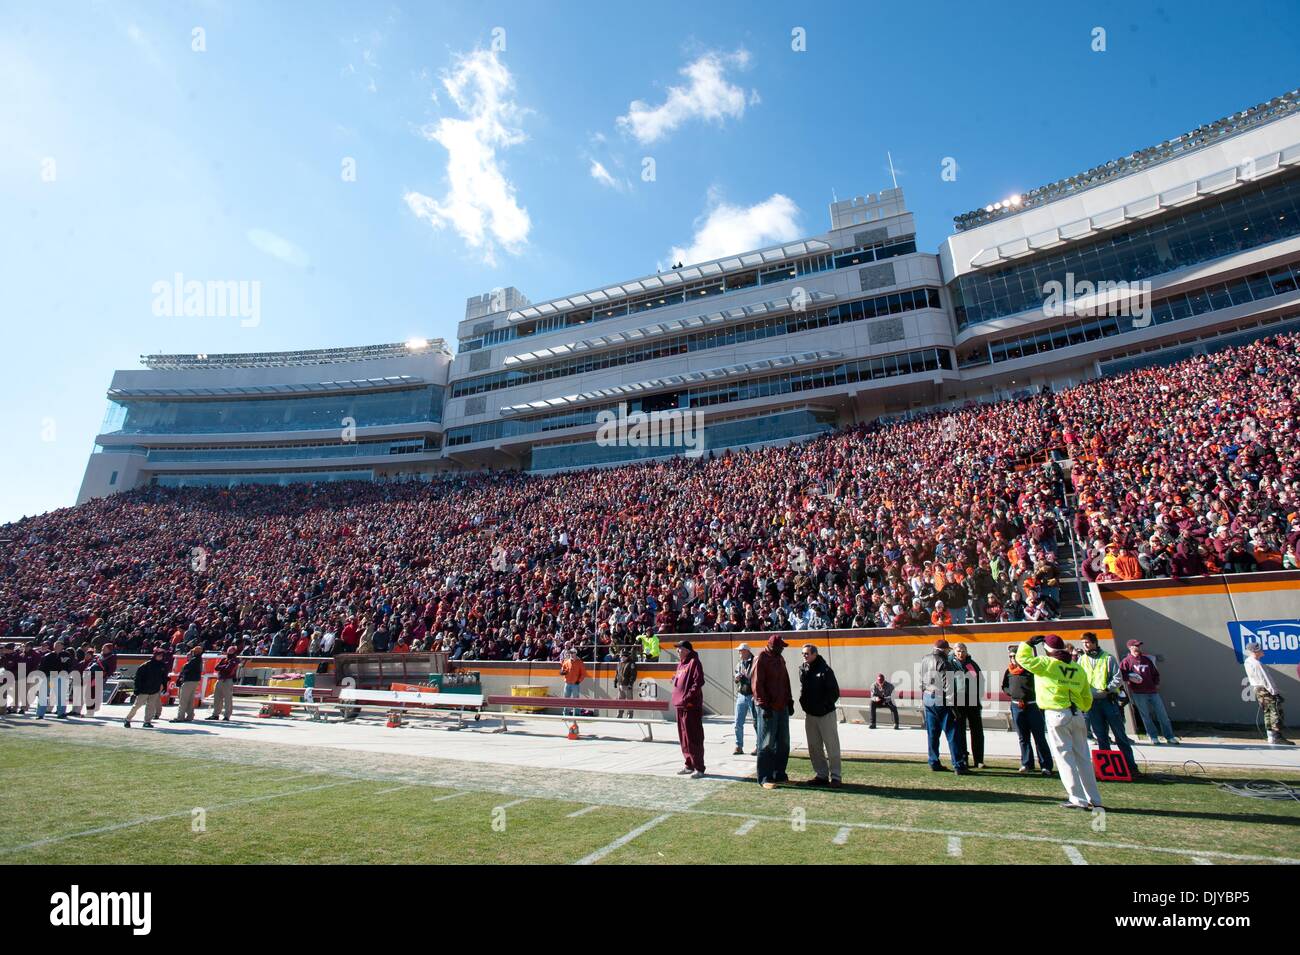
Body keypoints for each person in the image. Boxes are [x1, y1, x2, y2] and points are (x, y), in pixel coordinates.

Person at [1016, 634, 1102, 810]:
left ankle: (1077, 798)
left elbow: (1022, 658)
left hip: (1057, 713)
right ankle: (1094, 798)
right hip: (1077, 714)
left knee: (1065, 758)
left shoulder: (1046, 664)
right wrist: (1082, 709)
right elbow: (1087, 695)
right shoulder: (1077, 668)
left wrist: (1028, 643)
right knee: (1084, 758)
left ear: (1047, 650)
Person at [1078, 632, 1139, 776]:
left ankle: (1131, 767)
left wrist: (1106, 689)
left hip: (1108, 700)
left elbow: (1117, 678)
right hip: (1092, 703)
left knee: (1120, 735)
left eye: (1087, 642)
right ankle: (1108, 769)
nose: (1085, 645)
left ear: (1094, 642)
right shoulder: (1081, 660)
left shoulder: (1108, 658)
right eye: (1083, 643)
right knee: (1101, 736)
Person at [1002, 644, 1053, 775]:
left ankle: (1045, 765)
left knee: (1039, 737)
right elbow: (1005, 686)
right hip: (1016, 707)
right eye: (1011, 657)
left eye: (1015, 656)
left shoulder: (1032, 670)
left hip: (1032, 706)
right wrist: (1013, 694)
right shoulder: (1009, 671)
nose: (1013, 659)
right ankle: (1026, 763)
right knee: (1023, 737)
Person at [919, 639, 968, 774]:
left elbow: (921, 680)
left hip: (928, 697)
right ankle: (958, 765)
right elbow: (949, 686)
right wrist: (953, 706)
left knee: (932, 733)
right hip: (942, 699)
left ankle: (933, 761)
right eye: (948, 650)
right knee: (952, 733)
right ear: (945, 650)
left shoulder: (925, 659)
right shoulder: (944, 662)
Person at [752, 635, 793, 789]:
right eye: (780, 646)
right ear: (771, 646)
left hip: (782, 706)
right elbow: (757, 684)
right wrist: (763, 706)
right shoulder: (761, 658)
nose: (782, 649)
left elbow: (786, 681)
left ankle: (779, 774)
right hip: (768, 707)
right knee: (766, 743)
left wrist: (789, 700)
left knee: (783, 742)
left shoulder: (780, 659)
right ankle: (765, 777)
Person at [1119, 639, 1179, 745]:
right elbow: (1122, 675)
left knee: (1163, 715)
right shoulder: (1126, 661)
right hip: (1138, 693)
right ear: (1130, 647)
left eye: (1139, 645)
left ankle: (1169, 737)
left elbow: (1155, 673)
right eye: (1136, 646)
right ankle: (1153, 736)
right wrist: (1129, 677)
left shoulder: (1146, 660)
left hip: (1152, 692)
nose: (1138, 647)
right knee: (1146, 716)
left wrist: (1156, 683)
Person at [798, 644, 842, 787]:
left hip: (825, 714)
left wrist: (823, 706)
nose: (804, 656)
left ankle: (836, 776)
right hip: (810, 715)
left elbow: (834, 692)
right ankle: (821, 775)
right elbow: (802, 691)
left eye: (807, 653)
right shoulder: (803, 669)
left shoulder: (826, 670)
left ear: (815, 654)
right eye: (803, 653)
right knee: (814, 747)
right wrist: (805, 705)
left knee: (832, 745)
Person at [1243, 641, 1293, 746]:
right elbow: (1265, 679)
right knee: (1276, 711)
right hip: (1265, 689)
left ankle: (1270, 736)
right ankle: (1277, 736)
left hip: (1257, 689)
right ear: (1255, 651)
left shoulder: (1248, 661)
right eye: (1260, 649)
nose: (1263, 650)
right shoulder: (1257, 664)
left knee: (1267, 711)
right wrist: (1275, 692)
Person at [671, 640, 705, 777]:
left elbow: (699, 682)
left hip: (690, 706)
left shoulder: (694, 662)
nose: (677, 651)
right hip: (680, 706)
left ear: (687, 650)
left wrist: (687, 698)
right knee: (684, 738)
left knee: (693, 737)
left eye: (679, 648)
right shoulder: (680, 664)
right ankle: (689, 764)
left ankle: (699, 767)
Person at [952, 642, 985, 768]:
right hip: (958, 703)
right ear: (954, 652)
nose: (961, 653)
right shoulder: (951, 664)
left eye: (963, 651)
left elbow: (980, 680)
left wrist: (978, 695)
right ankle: (963, 758)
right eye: (958, 651)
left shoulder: (971, 664)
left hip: (973, 702)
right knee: (960, 732)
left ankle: (979, 759)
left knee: (977, 731)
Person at [124, 648, 169, 728]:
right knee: (137, 705)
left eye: (161, 656)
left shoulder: (162, 666)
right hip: (144, 689)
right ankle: (128, 719)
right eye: (159, 655)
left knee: (151, 706)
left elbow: (164, 677)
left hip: (155, 689)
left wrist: (165, 685)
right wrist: (137, 689)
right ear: (155, 655)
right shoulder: (145, 665)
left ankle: (147, 721)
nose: (160, 657)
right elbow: (138, 678)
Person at [35, 639, 75, 719]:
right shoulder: (48, 656)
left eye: (60, 645)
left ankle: (61, 713)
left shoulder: (67, 655)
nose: (58, 646)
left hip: (61, 677)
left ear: (63, 646)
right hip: (49, 677)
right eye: (57, 645)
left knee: (61, 695)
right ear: (54, 646)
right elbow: (41, 667)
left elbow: (70, 666)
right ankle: (40, 714)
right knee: (43, 695)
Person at [733, 643, 757, 755]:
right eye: (739, 651)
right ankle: (739, 746)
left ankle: (759, 746)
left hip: (752, 695)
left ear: (747, 651)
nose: (739, 653)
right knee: (738, 722)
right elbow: (736, 679)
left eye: (741, 651)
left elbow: (757, 679)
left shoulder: (755, 662)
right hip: (741, 694)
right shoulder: (739, 664)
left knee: (756, 722)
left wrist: (746, 678)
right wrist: (737, 679)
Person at [207, 644, 241, 721]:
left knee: (227, 699)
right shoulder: (224, 659)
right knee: (217, 698)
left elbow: (228, 669)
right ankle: (215, 714)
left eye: (231, 651)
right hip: (220, 679)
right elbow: (216, 668)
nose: (229, 652)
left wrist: (223, 667)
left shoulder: (235, 660)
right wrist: (224, 666)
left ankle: (227, 715)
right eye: (229, 651)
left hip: (228, 680)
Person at [175, 646, 204, 722]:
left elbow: (186, 668)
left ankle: (180, 717)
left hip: (189, 681)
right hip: (194, 681)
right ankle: (190, 716)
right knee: (190, 700)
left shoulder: (194, 660)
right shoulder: (199, 660)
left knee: (183, 700)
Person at [560, 649, 586, 717]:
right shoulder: (566, 661)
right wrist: (562, 672)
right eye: (570, 653)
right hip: (567, 683)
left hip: (575, 684)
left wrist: (579, 681)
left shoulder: (580, 662)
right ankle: (565, 713)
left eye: (573, 653)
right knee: (566, 699)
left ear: (576, 653)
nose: (571, 654)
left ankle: (577, 714)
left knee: (576, 699)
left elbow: (583, 674)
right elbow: (562, 669)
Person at [614, 647, 637, 719]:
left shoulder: (631, 663)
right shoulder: (619, 663)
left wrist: (630, 684)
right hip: (620, 685)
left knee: (629, 701)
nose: (622, 657)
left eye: (623, 656)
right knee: (620, 700)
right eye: (621, 656)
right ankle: (620, 714)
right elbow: (617, 673)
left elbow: (633, 675)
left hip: (627, 685)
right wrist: (615, 681)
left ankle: (630, 714)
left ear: (627, 656)